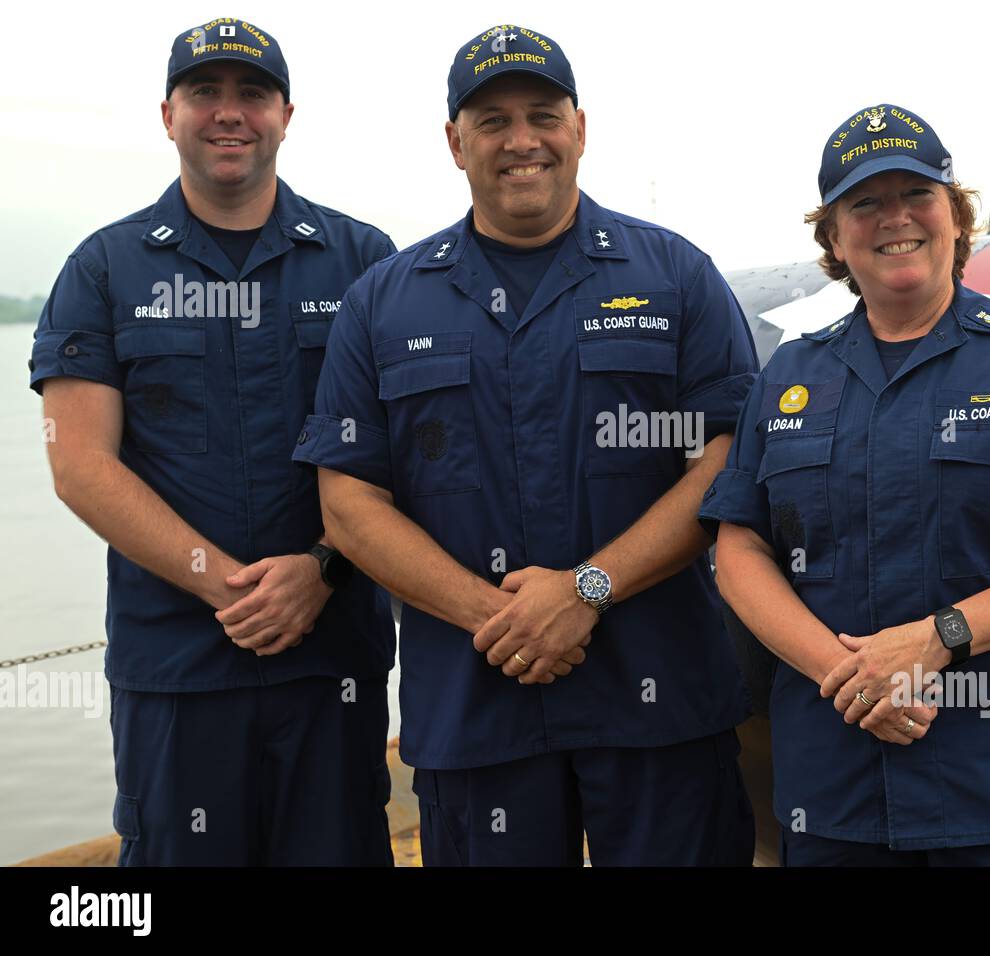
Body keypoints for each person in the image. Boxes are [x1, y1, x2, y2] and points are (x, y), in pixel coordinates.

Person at [293, 24, 757, 866]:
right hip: (479, 707)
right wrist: (503, 618)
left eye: (542, 114)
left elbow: (728, 466)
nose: (521, 141)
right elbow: (349, 505)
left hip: (659, 706)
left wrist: (587, 590)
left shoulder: (677, 277)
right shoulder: (384, 303)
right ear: (454, 142)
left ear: (579, 128)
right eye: (492, 120)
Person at [699, 103, 990, 866]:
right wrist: (846, 673)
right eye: (865, 203)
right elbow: (739, 552)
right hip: (839, 797)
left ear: (956, 216)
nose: (895, 219)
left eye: (917, 195)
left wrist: (939, 638)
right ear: (834, 237)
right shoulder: (789, 379)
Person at [29, 18, 397, 866]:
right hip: (176, 669)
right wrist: (221, 584)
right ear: (168, 114)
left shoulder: (365, 264)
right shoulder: (104, 269)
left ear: (286, 114)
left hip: (330, 655)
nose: (229, 114)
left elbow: (405, 454)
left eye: (252, 94)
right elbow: (80, 464)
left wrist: (322, 569)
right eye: (205, 93)